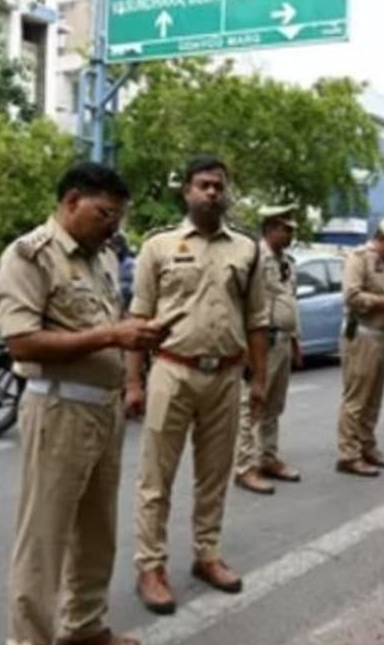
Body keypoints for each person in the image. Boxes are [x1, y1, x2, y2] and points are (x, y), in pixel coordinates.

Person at [0, 164, 166, 645]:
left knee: (96, 533)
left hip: (103, 412)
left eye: (118, 217)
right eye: (105, 213)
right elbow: (23, 343)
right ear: (72, 201)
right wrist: (113, 334)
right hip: (58, 411)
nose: (113, 225)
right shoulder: (30, 255)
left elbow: (106, 326)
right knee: (43, 541)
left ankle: (85, 628)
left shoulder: (103, 258)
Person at [126, 155, 270, 615]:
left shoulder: (248, 250)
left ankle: (207, 555)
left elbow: (258, 320)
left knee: (213, 476)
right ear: (186, 191)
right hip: (172, 370)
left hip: (226, 375)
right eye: (204, 185)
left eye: (219, 186)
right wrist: (133, 381)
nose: (212, 193)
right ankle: (150, 566)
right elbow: (139, 316)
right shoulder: (159, 246)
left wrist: (261, 379)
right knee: (156, 478)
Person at [234, 204, 306, 495]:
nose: (290, 235)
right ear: (272, 228)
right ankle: (244, 466)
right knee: (251, 405)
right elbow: (243, 307)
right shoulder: (253, 258)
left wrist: (295, 341)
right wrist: (247, 350)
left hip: (283, 341)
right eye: (286, 229)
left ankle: (268, 457)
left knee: (274, 406)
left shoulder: (286, 261)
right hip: (262, 342)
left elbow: (288, 301)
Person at [335, 219, 384, 477]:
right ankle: (348, 454)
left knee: (374, 398)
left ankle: (367, 445)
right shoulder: (359, 258)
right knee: (356, 399)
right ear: (382, 239)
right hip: (362, 336)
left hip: (383, 337)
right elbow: (352, 296)